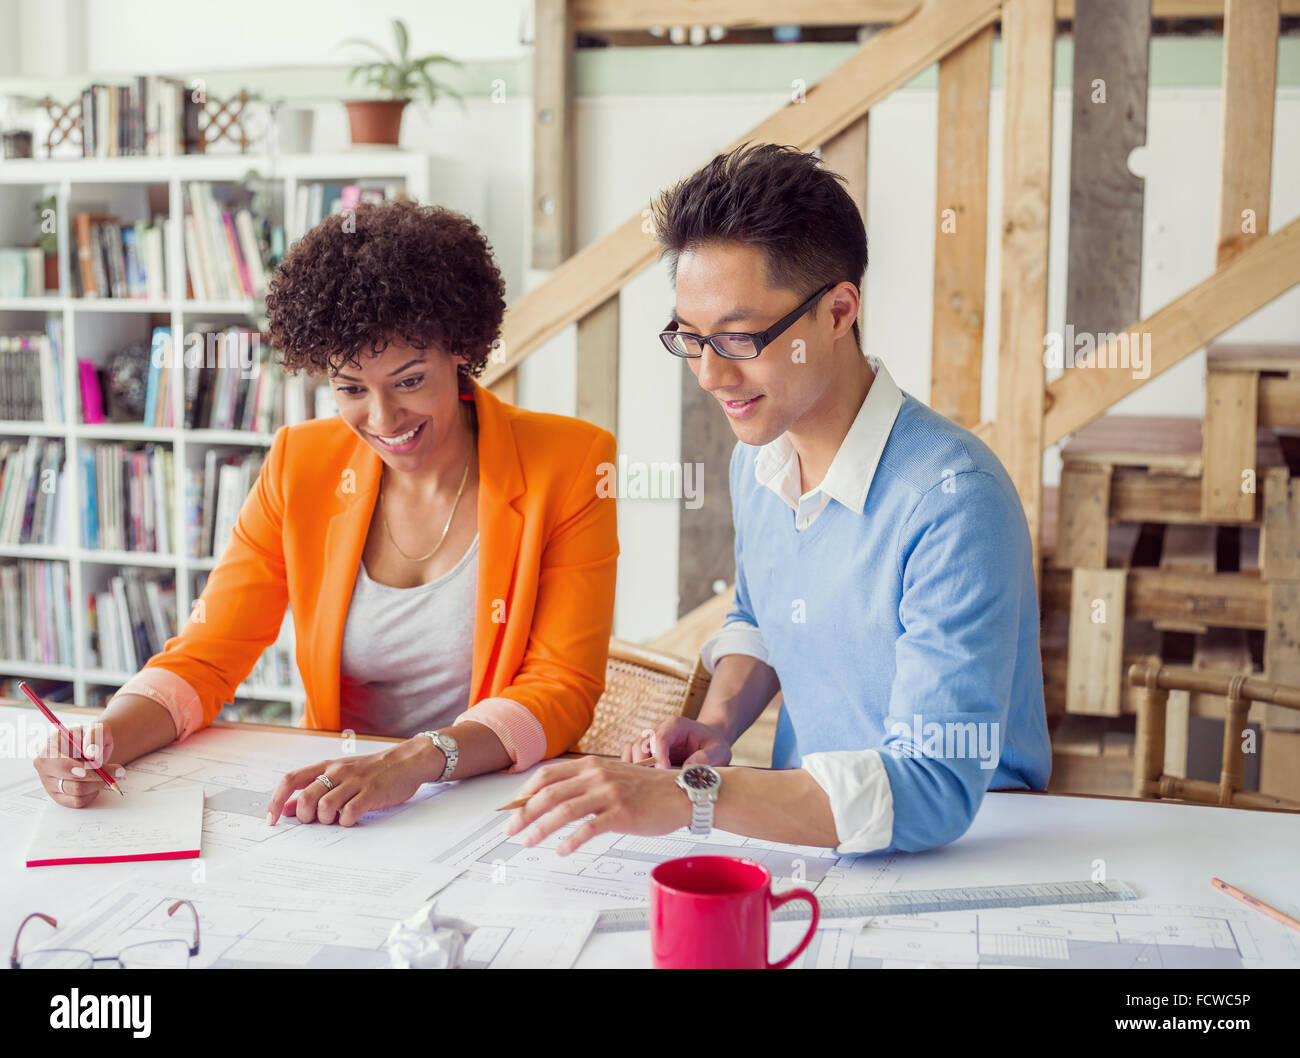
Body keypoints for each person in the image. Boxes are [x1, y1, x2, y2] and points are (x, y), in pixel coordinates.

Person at [504, 143, 1050, 857]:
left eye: (737, 336)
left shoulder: (953, 501)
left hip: (974, 849)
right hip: (809, 835)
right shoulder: (761, 456)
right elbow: (760, 614)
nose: (709, 374)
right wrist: (721, 722)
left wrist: (686, 798)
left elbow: (932, 785)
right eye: (691, 339)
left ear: (839, 311)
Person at [34, 199, 618, 826]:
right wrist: (105, 738)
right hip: (339, 808)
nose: (384, 419)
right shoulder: (300, 463)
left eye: (410, 380)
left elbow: (562, 688)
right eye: (350, 388)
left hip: (493, 805)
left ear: (461, 349)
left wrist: (416, 762)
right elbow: (207, 655)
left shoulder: (572, 461)